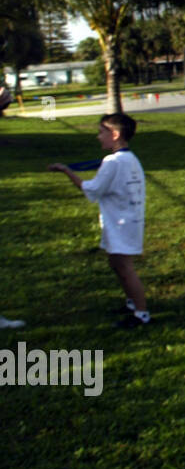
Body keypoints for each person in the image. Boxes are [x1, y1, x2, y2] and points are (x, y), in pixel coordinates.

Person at [47, 113, 149, 328]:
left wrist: (66, 171)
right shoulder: (130, 158)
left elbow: (91, 189)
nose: (98, 137)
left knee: (124, 267)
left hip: (122, 223)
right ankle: (132, 303)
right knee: (116, 263)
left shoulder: (113, 162)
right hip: (128, 220)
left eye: (101, 132)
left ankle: (142, 313)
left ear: (115, 134)